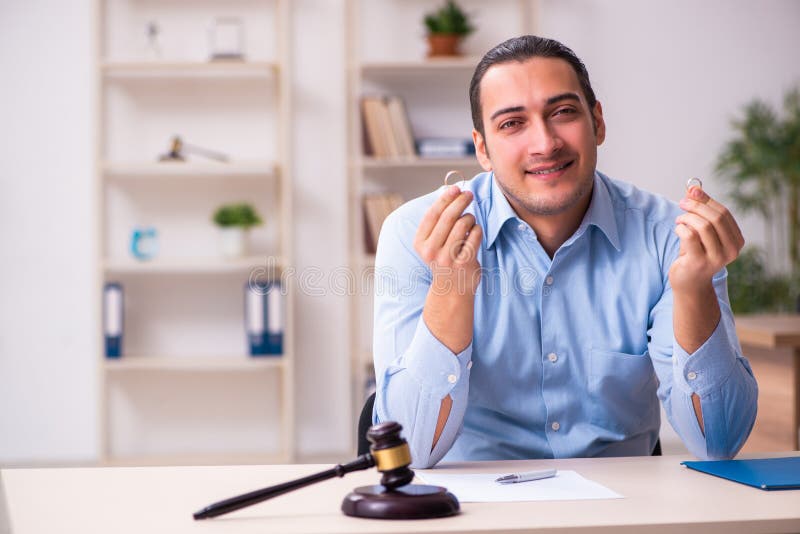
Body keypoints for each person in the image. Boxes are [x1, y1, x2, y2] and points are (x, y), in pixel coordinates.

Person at [371, 35, 758, 468]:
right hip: (470, 509)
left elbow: (720, 443)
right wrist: (451, 287)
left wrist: (693, 291)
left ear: (598, 122)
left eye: (563, 113)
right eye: (512, 123)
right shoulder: (414, 234)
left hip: (624, 508)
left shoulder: (673, 238)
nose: (545, 143)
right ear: (482, 148)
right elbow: (411, 450)